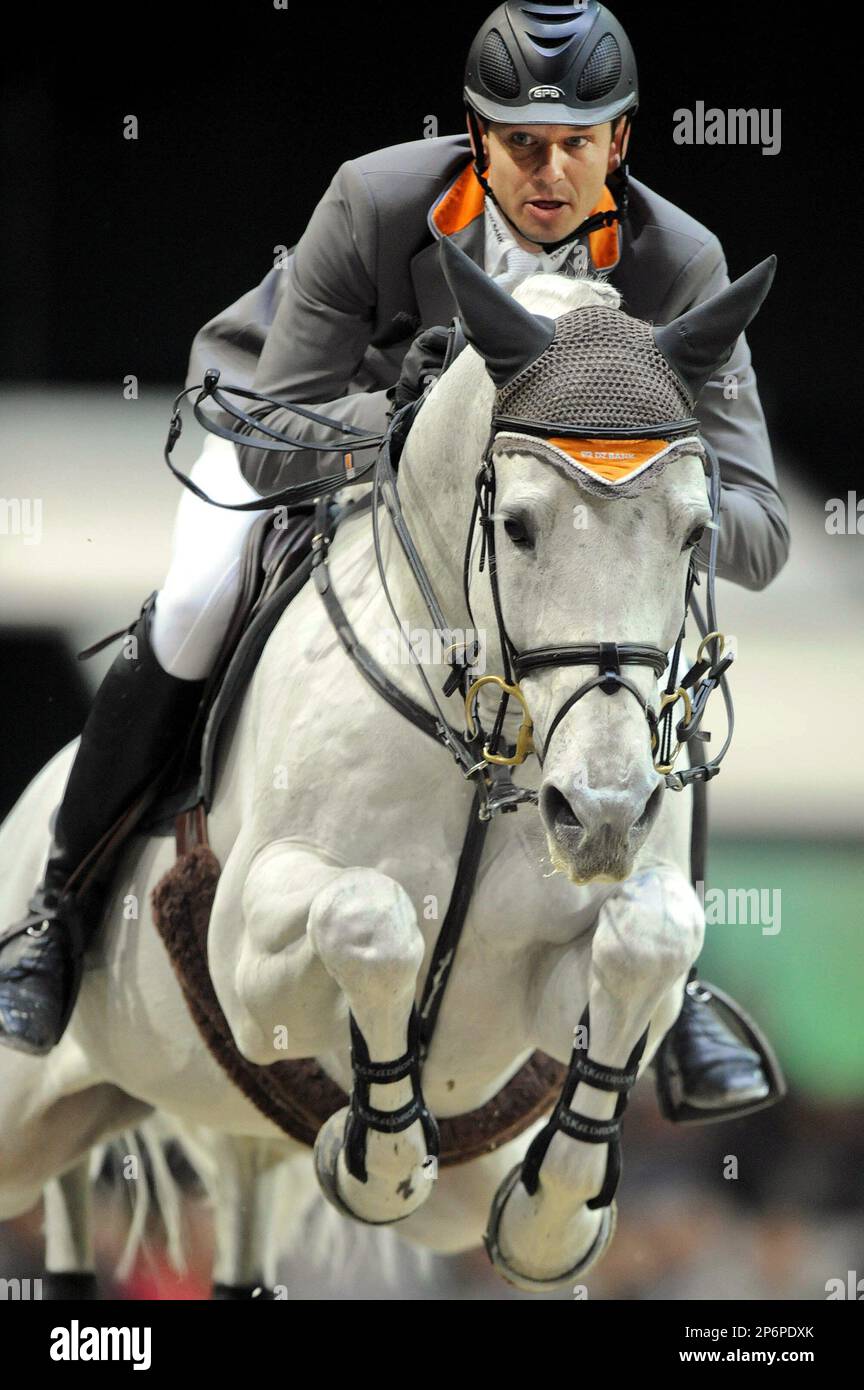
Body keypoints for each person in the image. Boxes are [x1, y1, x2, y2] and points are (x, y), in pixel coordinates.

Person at [0, 2, 789, 1123]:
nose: (550, 171)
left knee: (645, 645)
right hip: (322, 444)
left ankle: (680, 978)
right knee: (196, 596)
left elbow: (758, 527)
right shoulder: (376, 201)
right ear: (476, 131)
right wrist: (427, 421)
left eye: (578, 143)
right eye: (522, 143)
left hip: (539, 520)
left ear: (622, 141)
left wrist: (657, 489)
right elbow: (274, 438)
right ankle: (59, 911)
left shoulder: (683, 266)